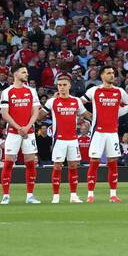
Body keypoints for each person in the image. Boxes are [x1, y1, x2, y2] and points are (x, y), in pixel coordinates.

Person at [80, 66, 128, 202]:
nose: (112, 75)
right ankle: (90, 195)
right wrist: (86, 115)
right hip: (98, 132)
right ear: (102, 76)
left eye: (113, 73)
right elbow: (78, 102)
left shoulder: (119, 91)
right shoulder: (94, 90)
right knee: (94, 161)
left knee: (113, 162)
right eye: (109, 73)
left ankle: (113, 195)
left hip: (113, 133)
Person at [0, 65, 45, 204]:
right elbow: (5, 113)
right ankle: (6, 195)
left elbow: (36, 111)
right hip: (13, 132)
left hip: (29, 132)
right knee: (8, 163)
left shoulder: (31, 91)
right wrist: (19, 128)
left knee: (30, 163)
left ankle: (30, 195)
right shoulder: (7, 92)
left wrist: (27, 127)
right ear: (15, 74)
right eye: (24, 72)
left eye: (27, 72)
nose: (27, 74)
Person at [46, 74, 85, 203]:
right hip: (59, 139)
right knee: (57, 166)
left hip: (73, 139)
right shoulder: (52, 101)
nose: (61, 88)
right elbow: (40, 115)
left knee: (73, 166)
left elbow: (84, 114)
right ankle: (55, 196)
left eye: (64, 85)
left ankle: (73, 195)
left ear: (69, 85)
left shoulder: (76, 101)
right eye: (59, 85)